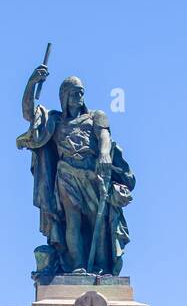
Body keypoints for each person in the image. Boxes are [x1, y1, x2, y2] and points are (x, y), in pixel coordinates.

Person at [17, 64, 134, 283]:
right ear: (64, 96)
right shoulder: (55, 121)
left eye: (81, 92)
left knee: (94, 220)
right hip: (66, 174)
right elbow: (29, 114)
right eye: (74, 93)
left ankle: (100, 267)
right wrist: (32, 83)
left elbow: (104, 137)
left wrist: (104, 154)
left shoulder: (96, 117)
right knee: (73, 221)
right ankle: (77, 267)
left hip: (93, 174)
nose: (79, 96)